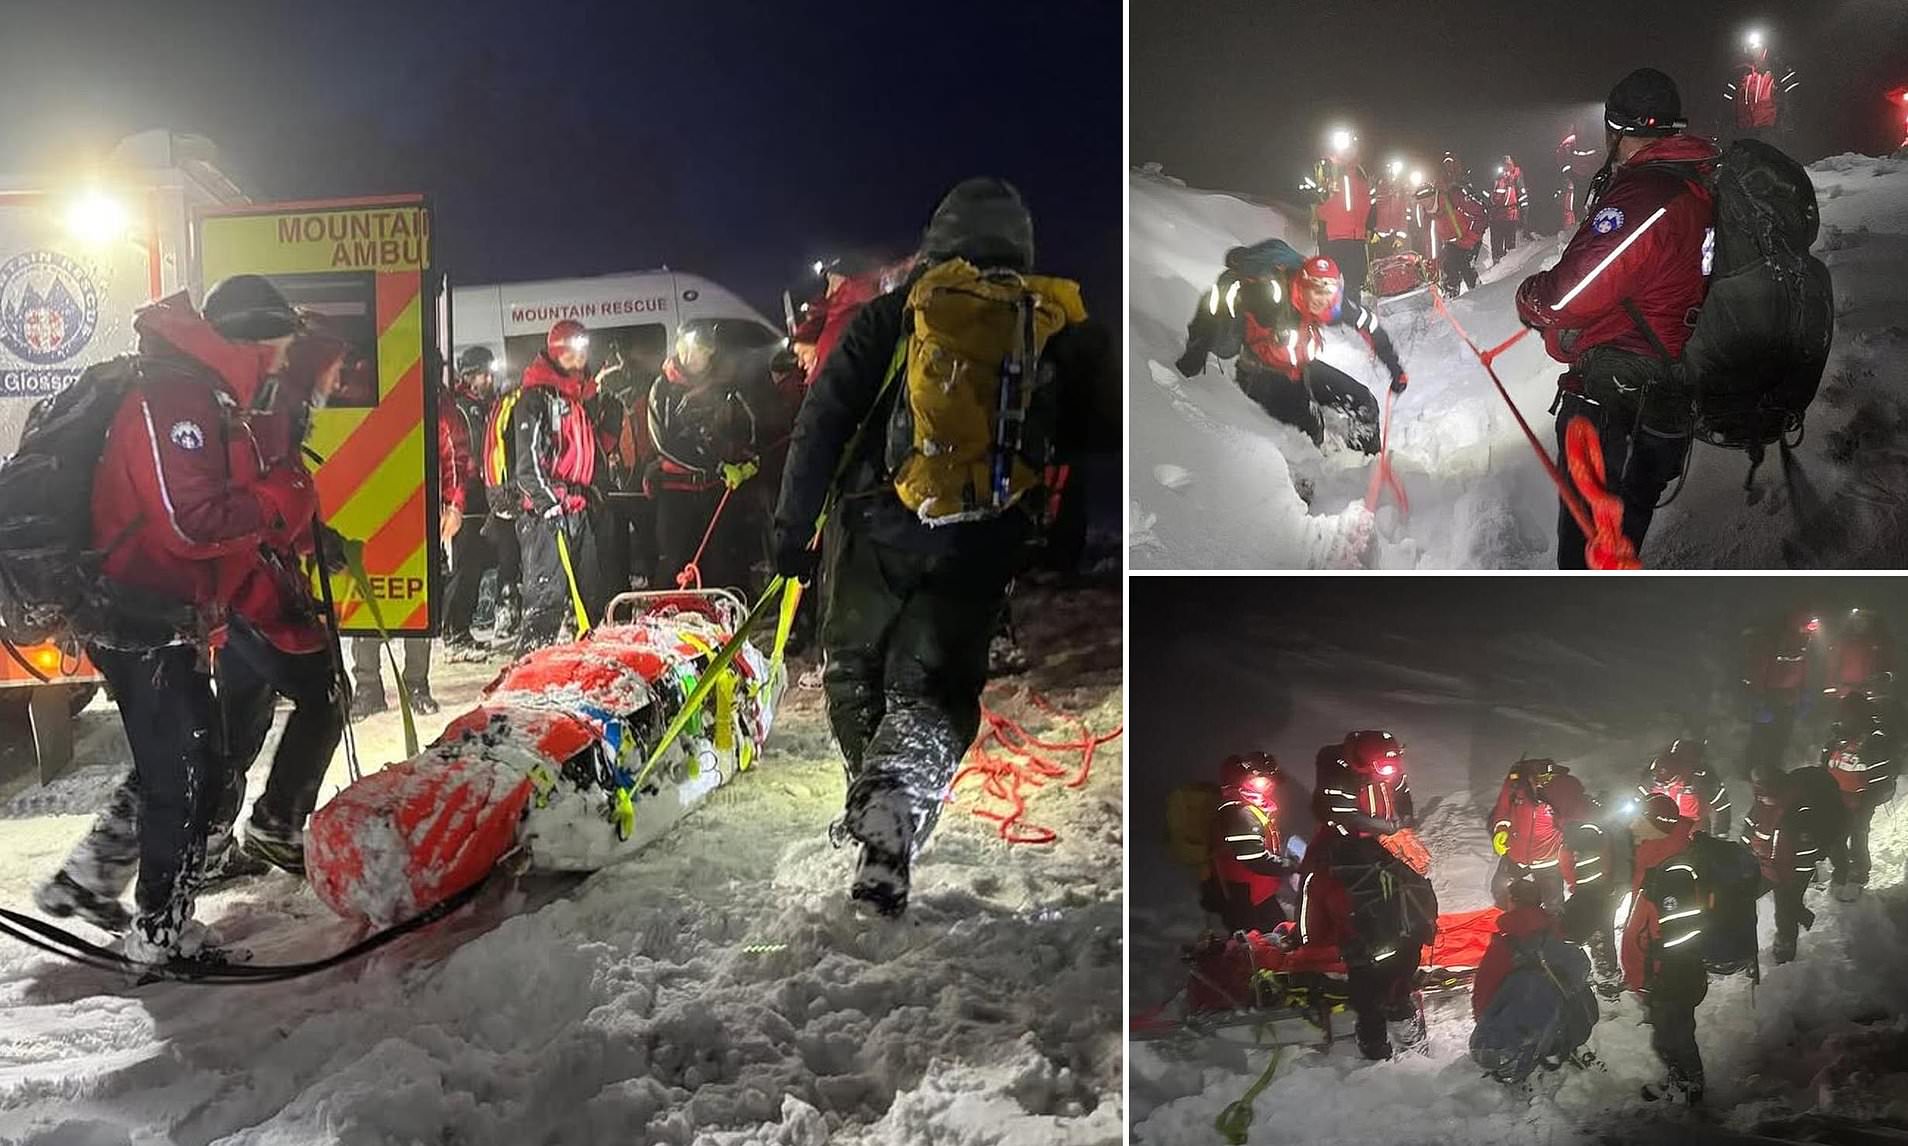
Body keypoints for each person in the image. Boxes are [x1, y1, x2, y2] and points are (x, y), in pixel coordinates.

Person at [770, 176, 1101, 916]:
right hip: (981, 540)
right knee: (936, 686)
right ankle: (896, 806)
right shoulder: (1047, 327)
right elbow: (1087, 440)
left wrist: (793, 532)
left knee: (855, 670)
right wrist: (1061, 539)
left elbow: (821, 423)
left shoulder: (891, 317)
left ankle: (881, 815)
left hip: (874, 527)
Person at [31, 277, 313, 961]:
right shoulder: (176, 395)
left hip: (163, 612)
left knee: (187, 762)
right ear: (248, 336)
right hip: (136, 613)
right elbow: (189, 519)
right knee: (188, 769)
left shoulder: (207, 392)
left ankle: (88, 880)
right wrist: (276, 502)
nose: (280, 360)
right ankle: (160, 931)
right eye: (276, 344)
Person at [1515, 68, 1721, 569]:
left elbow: (1568, 295)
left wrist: (1530, 297)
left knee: (1588, 554)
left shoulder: (1648, 194)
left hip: (1618, 404)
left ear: (1618, 130)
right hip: (1662, 397)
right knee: (1617, 548)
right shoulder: (1693, 185)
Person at [200, 325, 351, 881]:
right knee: (327, 694)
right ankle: (277, 823)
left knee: (241, 719)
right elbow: (269, 509)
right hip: (258, 593)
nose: (336, 384)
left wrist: (319, 540)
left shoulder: (268, 415)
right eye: (333, 371)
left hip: (236, 595)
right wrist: (311, 538)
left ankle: (213, 842)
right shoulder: (272, 421)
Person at [1175, 249, 1407, 455]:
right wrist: (1196, 351)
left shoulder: (1331, 304)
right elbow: (1214, 304)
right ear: (1302, 285)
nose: (1321, 300)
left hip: (1300, 368)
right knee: (1310, 429)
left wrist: (1395, 369)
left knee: (1365, 403)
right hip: (1260, 375)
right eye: (1315, 290)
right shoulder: (1269, 297)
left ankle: (1368, 467)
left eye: (1329, 294)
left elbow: (1370, 326)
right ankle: (1300, 495)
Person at [1298, 729, 1435, 1060]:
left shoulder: (1395, 858)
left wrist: (1400, 824)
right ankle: (1380, 1034)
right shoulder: (1333, 861)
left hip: (1388, 913)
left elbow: (1402, 797)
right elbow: (1317, 905)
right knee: (1369, 965)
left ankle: (1386, 1029)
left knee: (1384, 963)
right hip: (1365, 922)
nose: (1389, 774)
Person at [644, 319, 779, 594]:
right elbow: (664, 442)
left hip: (715, 493)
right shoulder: (663, 388)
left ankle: (722, 619)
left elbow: (746, 425)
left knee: (722, 562)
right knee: (675, 562)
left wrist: (748, 459)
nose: (694, 357)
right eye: (689, 348)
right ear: (679, 346)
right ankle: (668, 618)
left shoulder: (723, 387)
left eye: (702, 350)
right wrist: (717, 465)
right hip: (677, 493)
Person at [513, 319, 609, 652]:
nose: (580, 358)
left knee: (589, 595)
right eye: (573, 351)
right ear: (558, 352)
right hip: (547, 516)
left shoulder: (576, 396)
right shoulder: (536, 398)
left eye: (583, 350)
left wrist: (590, 491)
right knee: (546, 600)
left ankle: (584, 668)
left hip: (577, 510)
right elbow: (526, 466)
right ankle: (529, 667)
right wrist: (549, 503)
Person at [1620, 794, 1709, 1104]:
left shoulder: (1672, 870)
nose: (1631, 825)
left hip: (1673, 975)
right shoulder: (1652, 857)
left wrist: (1658, 973)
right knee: (1665, 1036)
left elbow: (1680, 932)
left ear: (1657, 827)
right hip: (1661, 972)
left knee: (1677, 1036)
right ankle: (1677, 1081)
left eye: (1638, 819)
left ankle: (1694, 1091)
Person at [1469, 877, 1599, 1084]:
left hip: (1521, 1033)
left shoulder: (1505, 945)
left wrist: (1487, 1024)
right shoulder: (1556, 932)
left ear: (1512, 901)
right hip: (1562, 1027)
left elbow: (1483, 995)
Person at [1745, 761, 1845, 963]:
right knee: (1743, 898)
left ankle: (1785, 951)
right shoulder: (1762, 803)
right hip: (1766, 865)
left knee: (1785, 911)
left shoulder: (1802, 809)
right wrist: (1744, 855)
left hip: (1793, 871)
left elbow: (1808, 849)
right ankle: (1745, 947)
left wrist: (1791, 880)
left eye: (1765, 793)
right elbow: (1749, 830)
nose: (1762, 797)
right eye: (1759, 793)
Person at [1205, 752, 1312, 933]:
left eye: (1270, 780)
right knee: (1253, 946)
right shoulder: (1239, 812)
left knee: (1277, 933)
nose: (1268, 785)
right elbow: (1255, 859)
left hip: (1261, 891)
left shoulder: (1254, 809)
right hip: (1243, 895)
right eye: (1260, 780)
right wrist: (1293, 866)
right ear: (1242, 780)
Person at [440, 347, 502, 656]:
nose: (489, 379)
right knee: (462, 566)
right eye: (482, 374)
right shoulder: (463, 408)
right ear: (468, 376)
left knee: (475, 565)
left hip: (482, 496)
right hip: (467, 496)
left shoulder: (488, 406)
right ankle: (454, 632)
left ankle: (463, 628)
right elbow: (464, 454)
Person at [1487, 757, 1592, 913]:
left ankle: (1548, 929)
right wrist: (1501, 829)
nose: (1537, 784)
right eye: (1532, 779)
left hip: (1547, 860)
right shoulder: (1516, 785)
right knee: (1499, 889)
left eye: (1543, 779)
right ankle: (1509, 919)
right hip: (1516, 856)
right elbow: (1503, 809)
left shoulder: (1564, 790)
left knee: (1553, 906)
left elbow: (1581, 815)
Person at [1823, 690, 1896, 900]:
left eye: (1848, 715)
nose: (1844, 719)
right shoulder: (1837, 737)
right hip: (1837, 799)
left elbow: (1881, 778)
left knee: (1857, 835)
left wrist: (1864, 802)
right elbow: (1825, 766)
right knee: (1835, 838)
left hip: (1861, 801)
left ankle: (1858, 876)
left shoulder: (1874, 742)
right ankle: (1841, 871)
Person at [1302, 131, 1375, 297]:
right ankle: (1329, 316)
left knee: (1355, 279)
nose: (1348, 151)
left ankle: (1353, 313)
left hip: (1356, 236)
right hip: (1332, 235)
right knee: (1329, 280)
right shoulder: (1325, 167)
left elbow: (1368, 201)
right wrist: (1321, 191)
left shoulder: (1360, 172)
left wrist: (1369, 225)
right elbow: (1309, 192)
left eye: (1351, 147)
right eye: (1344, 147)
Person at [1417, 154, 1489, 294]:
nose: (1423, 205)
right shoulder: (1428, 213)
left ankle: (1478, 296)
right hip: (1452, 242)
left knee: (1463, 266)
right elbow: (1430, 237)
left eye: (1425, 201)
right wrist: (1432, 259)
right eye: (1420, 203)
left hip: (1468, 238)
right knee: (1451, 270)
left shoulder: (1454, 197)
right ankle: (1453, 298)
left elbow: (1481, 214)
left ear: (1433, 195)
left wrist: (1471, 238)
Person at [1639, 738, 1732, 836]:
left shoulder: (1701, 779)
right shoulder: (1650, 779)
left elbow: (1723, 807)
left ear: (1678, 775)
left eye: (1667, 783)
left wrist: (1721, 834)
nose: (1662, 786)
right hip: (1663, 823)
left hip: (1694, 824)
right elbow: (1639, 802)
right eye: (1658, 783)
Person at [1725, 34, 1799, 142]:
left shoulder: (1779, 71)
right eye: (1751, 46)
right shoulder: (1739, 74)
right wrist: (1728, 129)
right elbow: (1727, 104)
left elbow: (1792, 101)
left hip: (1770, 133)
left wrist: (1784, 129)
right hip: (1743, 132)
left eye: (1758, 45)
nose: (1755, 49)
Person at [1488, 155, 1532, 259]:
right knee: (1502, 245)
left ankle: (1504, 267)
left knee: (1503, 245)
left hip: (1505, 216)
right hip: (1503, 216)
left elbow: (1522, 195)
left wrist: (1524, 212)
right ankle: (1501, 265)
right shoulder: (1500, 177)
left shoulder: (1513, 176)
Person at [1555, 130, 1599, 231]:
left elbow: (1597, 157)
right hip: (1578, 176)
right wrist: (1569, 172)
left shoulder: (1590, 141)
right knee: (1577, 201)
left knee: (1585, 200)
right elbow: (1562, 157)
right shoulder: (1569, 142)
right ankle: (1579, 223)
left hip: (1587, 176)